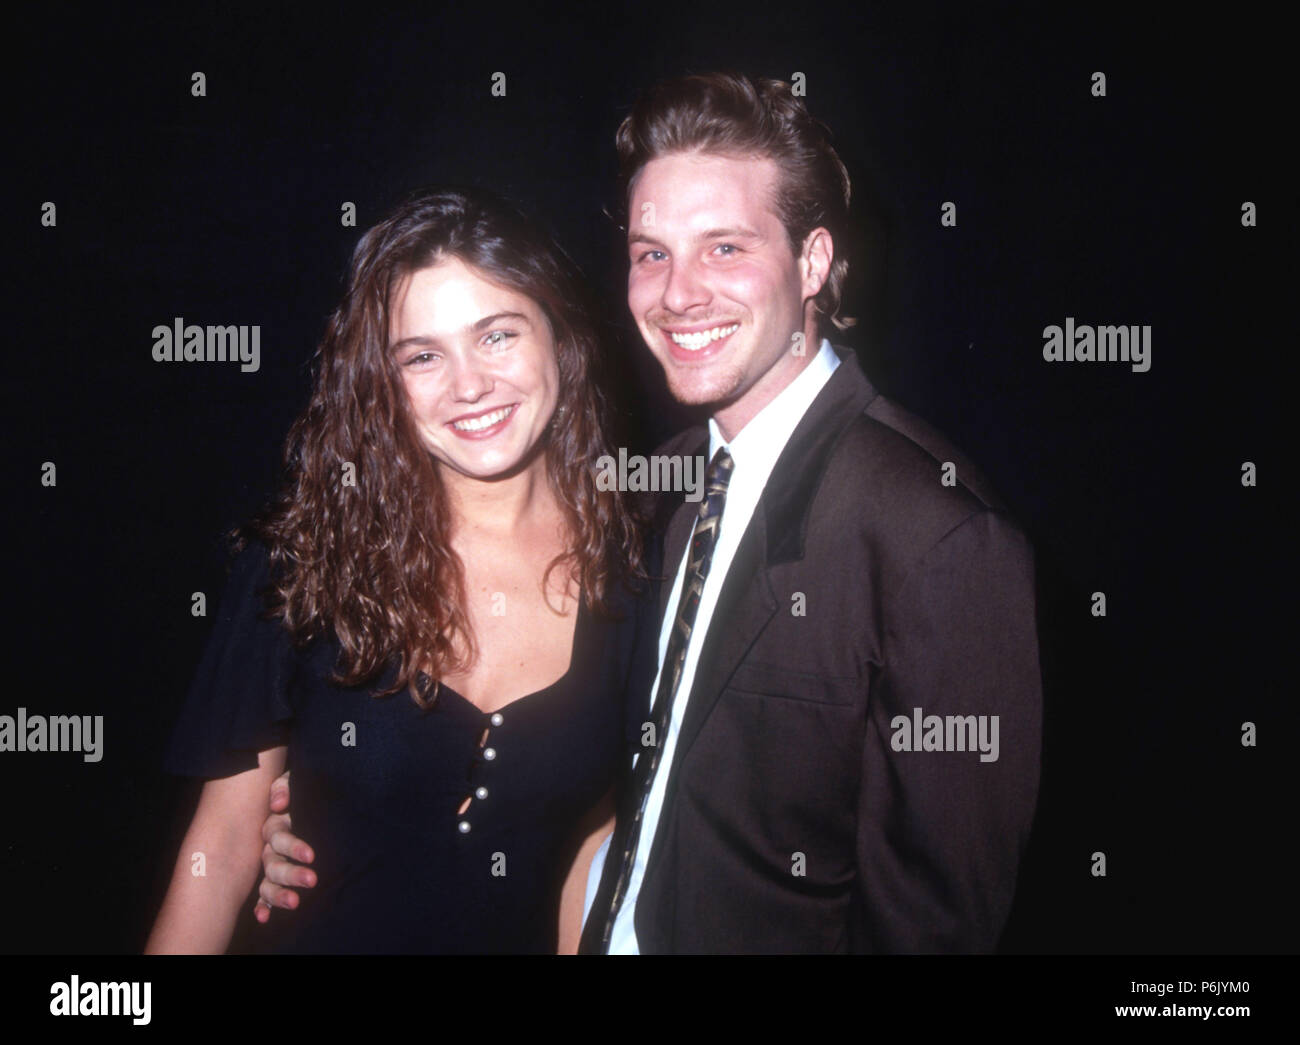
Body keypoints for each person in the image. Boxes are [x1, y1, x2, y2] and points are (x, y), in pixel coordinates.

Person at [260, 72, 1044, 954]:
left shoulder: (935, 535)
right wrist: (339, 809)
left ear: (814, 262)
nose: (678, 293)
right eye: (652, 252)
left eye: (724, 248)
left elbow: (932, 927)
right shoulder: (650, 491)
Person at [146, 186, 654, 954]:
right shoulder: (304, 561)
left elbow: (592, 845)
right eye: (423, 356)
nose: (468, 385)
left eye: (497, 335)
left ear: (561, 337)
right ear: (385, 383)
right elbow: (218, 847)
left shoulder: (638, 577)